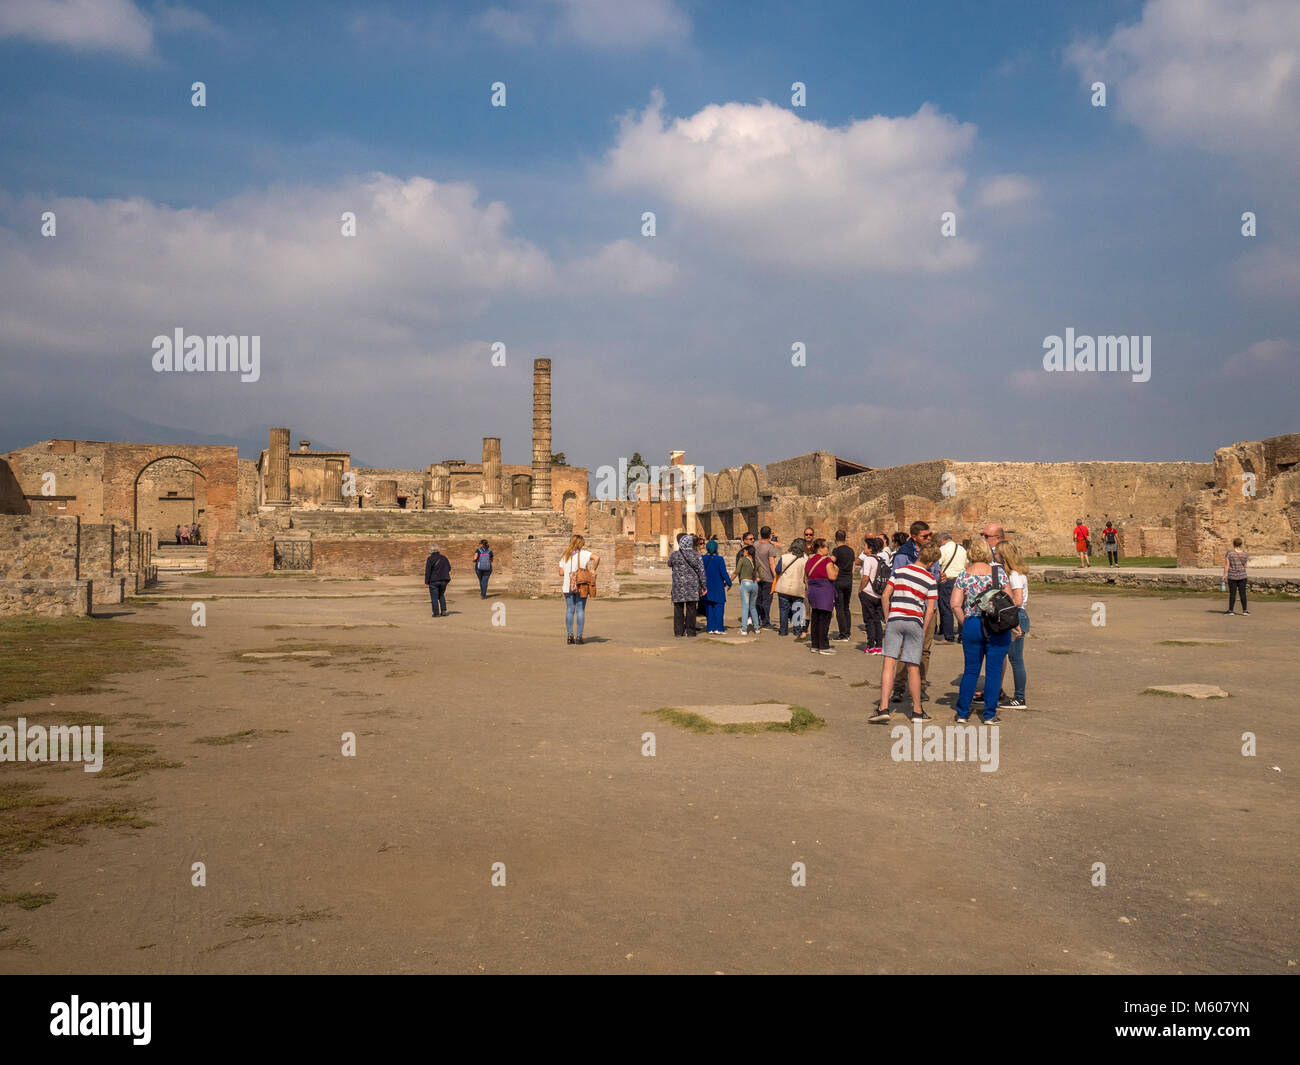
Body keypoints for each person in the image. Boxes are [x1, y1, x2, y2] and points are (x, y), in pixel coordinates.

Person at [869, 541, 939, 724]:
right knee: (913, 667)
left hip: (895, 619)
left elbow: (885, 595)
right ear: (931, 563)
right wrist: (923, 629)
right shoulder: (930, 580)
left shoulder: (900, 571)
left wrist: (888, 617)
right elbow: (930, 609)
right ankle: (917, 711)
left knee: (889, 664)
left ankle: (883, 707)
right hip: (914, 621)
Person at [950, 538, 1013, 723]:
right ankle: (989, 714)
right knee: (993, 671)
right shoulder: (998, 573)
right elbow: (1008, 601)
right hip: (996, 626)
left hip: (973, 624)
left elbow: (955, 604)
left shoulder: (964, 576)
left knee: (971, 670)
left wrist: (965, 621)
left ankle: (962, 712)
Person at [890, 542, 942, 704]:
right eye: (924, 536)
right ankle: (899, 686)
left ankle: (920, 686)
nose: (928, 538)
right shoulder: (902, 557)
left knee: (924, 650)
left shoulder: (932, 562)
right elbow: (892, 586)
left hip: (928, 609)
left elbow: (934, 581)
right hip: (908, 611)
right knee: (902, 650)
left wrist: (940, 579)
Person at [998, 540, 1030, 710]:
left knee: (1016, 659)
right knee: (1012, 658)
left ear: (1004, 556)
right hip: (1017, 616)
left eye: (998, 554)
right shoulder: (1017, 573)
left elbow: (1017, 600)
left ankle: (1019, 698)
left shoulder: (1014, 575)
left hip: (1015, 616)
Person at [558, 534, 599, 645]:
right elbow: (597, 558)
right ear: (581, 543)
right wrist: (592, 570)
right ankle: (579, 637)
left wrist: (569, 572)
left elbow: (561, 573)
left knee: (569, 610)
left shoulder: (565, 555)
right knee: (580, 610)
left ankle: (570, 636)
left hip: (568, 586)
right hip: (581, 585)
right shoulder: (585, 554)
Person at [803, 538, 839, 654]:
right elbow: (832, 576)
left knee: (816, 617)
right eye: (826, 547)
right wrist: (836, 570)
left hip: (813, 590)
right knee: (824, 618)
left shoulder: (809, 560)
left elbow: (806, 577)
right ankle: (823, 646)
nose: (827, 549)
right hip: (824, 590)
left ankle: (815, 644)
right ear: (821, 548)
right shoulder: (826, 560)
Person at [668, 533, 706, 637]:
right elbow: (701, 572)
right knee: (691, 609)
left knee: (678, 609)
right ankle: (690, 631)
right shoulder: (696, 555)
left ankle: (679, 631)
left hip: (678, 587)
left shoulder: (675, 555)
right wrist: (704, 586)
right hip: (692, 587)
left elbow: (669, 563)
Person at [773, 537, 808, 640]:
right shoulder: (804, 561)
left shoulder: (784, 557)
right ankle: (797, 630)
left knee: (783, 609)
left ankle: (783, 630)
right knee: (797, 609)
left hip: (783, 587)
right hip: (798, 588)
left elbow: (778, 570)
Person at [936, 532, 967, 643]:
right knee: (961, 607)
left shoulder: (943, 549)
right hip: (962, 579)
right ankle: (963, 635)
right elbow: (966, 564)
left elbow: (938, 563)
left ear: (942, 540)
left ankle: (948, 636)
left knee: (946, 608)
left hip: (948, 580)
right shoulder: (962, 549)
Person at [857, 535, 886, 654]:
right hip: (878, 594)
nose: (864, 548)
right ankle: (879, 646)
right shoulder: (880, 560)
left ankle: (870, 646)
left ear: (870, 548)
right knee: (877, 620)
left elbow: (866, 577)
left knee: (869, 620)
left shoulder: (868, 559)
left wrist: (860, 589)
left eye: (865, 546)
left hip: (868, 593)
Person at [701, 540, 732, 633]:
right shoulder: (719, 559)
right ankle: (719, 628)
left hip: (707, 586)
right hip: (718, 586)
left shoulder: (703, 558)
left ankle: (710, 628)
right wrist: (729, 582)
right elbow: (723, 573)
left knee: (709, 608)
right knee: (719, 607)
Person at [831, 530, 856, 641]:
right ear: (845, 538)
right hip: (848, 581)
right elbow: (853, 567)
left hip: (839, 581)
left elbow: (831, 561)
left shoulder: (836, 551)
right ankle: (848, 632)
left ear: (835, 538)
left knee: (839, 608)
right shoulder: (851, 551)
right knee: (846, 607)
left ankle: (843, 634)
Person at [754, 526, 780, 630]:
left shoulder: (755, 544)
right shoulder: (770, 548)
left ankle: (759, 618)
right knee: (767, 600)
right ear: (770, 535)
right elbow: (772, 563)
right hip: (768, 577)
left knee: (758, 599)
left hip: (757, 576)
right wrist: (776, 576)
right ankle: (765, 621)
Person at [733, 543, 762, 635]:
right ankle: (757, 628)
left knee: (745, 607)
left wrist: (729, 581)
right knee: (753, 607)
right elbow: (761, 576)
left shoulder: (742, 560)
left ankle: (744, 629)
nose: (744, 552)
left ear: (747, 552)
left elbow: (737, 572)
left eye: (745, 551)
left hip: (745, 583)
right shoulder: (756, 561)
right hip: (754, 584)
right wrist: (757, 579)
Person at [734, 531, 757, 627]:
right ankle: (747, 621)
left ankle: (754, 620)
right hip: (745, 580)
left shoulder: (753, 551)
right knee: (746, 603)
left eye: (753, 538)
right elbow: (738, 569)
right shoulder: (741, 554)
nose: (753, 540)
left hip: (753, 581)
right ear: (744, 541)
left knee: (752, 603)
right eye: (750, 539)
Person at [423, 543, 451, 617]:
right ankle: (443, 610)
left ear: (430, 550)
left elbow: (428, 571)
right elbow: (449, 568)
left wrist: (426, 582)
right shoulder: (444, 558)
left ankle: (436, 613)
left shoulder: (430, 559)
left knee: (434, 597)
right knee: (441, 594)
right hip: (444, 580)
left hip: (434, 580)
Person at [1223, 537, 1249, 615]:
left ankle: (1231, 610)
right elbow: (1245, 565)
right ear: (1241, 544)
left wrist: (1225, 574)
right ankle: (1245, 611)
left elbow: (1227, 565)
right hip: (1242, 576)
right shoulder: (1245, 554)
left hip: (1232, 576)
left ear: (1233, 544)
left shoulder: (1229, 553)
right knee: (1243, 594)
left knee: (1232, 594)